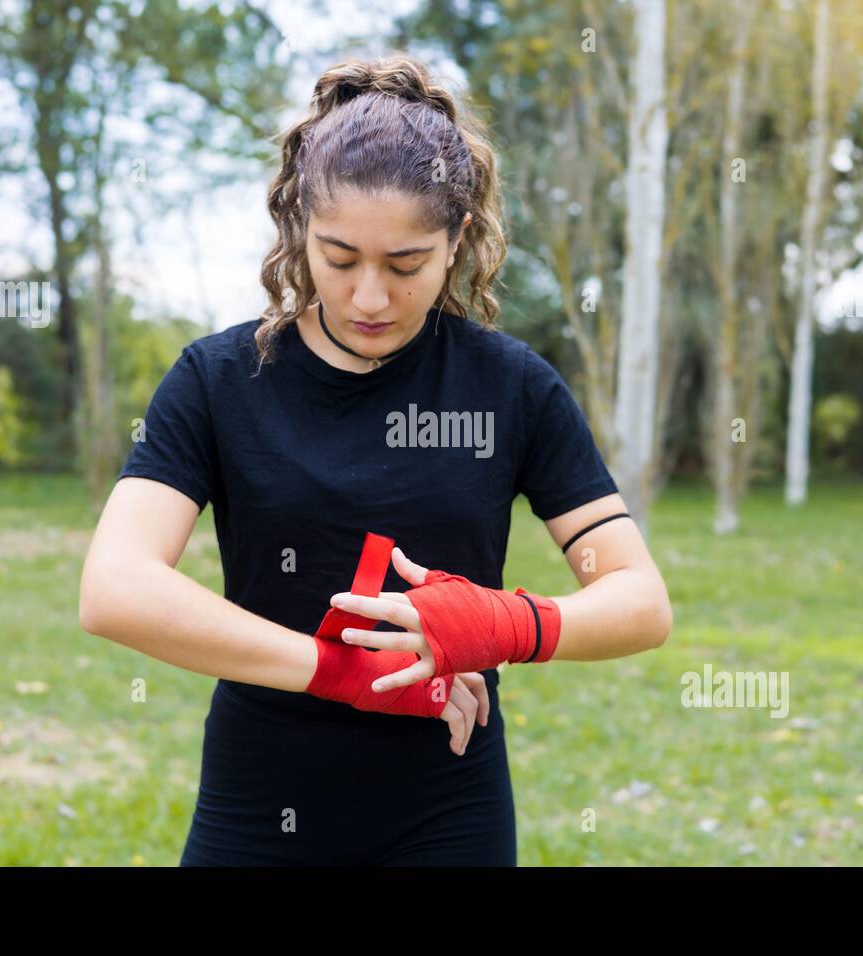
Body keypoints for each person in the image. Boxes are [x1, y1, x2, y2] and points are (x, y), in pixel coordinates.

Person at [78, 53, 673, 867]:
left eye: (406, 265)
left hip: (447, 806)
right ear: (297, 225)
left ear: (459, 238)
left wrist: (506, 624)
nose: (368, 298)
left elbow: (640, 601)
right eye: (338, 256)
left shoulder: (512, 388)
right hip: (260, 802)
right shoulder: (217, 381)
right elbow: (115, 589)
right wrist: (335, 670)